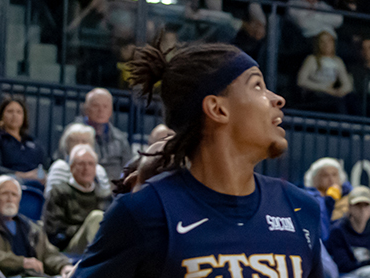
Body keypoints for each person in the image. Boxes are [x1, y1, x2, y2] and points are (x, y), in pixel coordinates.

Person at [72, 41, 325, 277]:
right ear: (217, 109)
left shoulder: (301, 208)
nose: (277, 99)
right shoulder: (145, 212)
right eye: (257, 85)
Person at [0, 176, 75, 277]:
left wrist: (63, 266)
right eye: (5, 193)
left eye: (14, 195)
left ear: (19, 200)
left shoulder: (30, 227)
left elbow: (48, 253)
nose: (10, 199)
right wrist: (21, 262)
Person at [42, 145, 112, 255]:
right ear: (71, 167)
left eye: (90, 164)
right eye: (81, 164)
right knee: (96, 217)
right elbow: (54, 232)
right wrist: (85, 228)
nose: (86, 168)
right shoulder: (59, 192)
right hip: (68, 246)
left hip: (98, 243)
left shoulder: (102, 194)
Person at [73, 88, 134, 182]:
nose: (100, 110)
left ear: (110, 111)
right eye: (95, 106)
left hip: (114, 191)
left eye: (105, 106)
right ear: (86, 109)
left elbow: (129, 169)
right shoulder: (73, 135)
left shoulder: (120, 139)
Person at [0, 98, 45, 186]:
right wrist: (22, 175)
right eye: (10, 111)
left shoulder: (33, 142)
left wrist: (41, 176)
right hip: (9, 182)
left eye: (19, 112)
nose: (14, 115)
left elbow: (43, 165)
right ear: (1, 115)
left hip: (36, 184)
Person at [297, 31, 354, 113]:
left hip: (333, 95)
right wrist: (324, 88)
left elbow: (347, 84)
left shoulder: (337, 61)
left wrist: (340, 91)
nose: (326, 44)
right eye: (322, 42)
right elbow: (301, 81)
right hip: (316, 95)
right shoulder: (312, 60)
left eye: (329, 41)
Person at [44, 125, 107, 197]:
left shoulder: (99, 170)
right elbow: (53, 197)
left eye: (84, 141)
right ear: (67, 145)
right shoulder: (60, 167)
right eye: (74, 141)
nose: (79, 145)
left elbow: (105, 198)